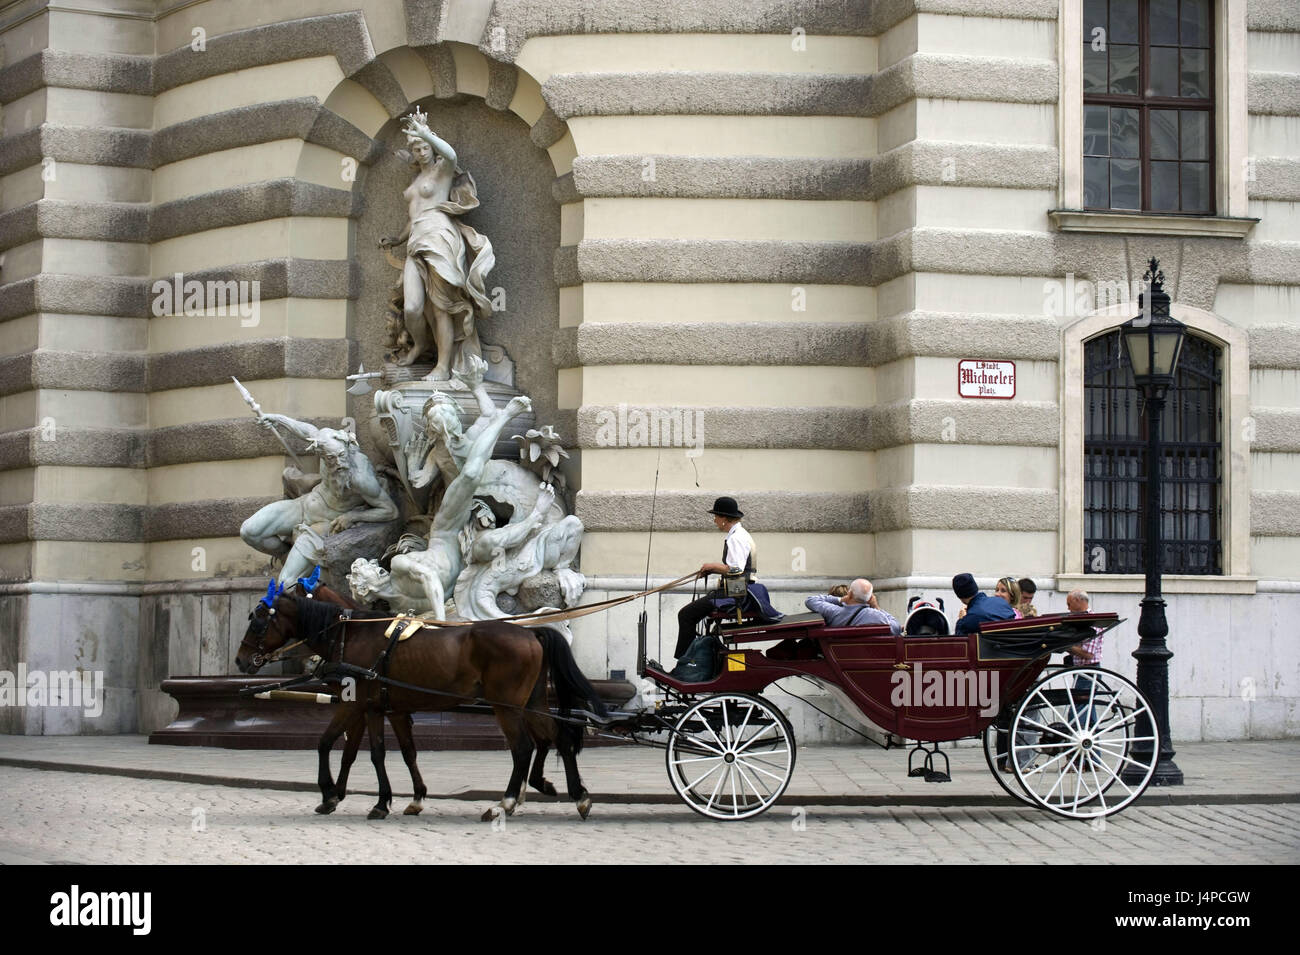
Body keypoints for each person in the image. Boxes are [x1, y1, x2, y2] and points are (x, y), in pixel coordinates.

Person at [380, 108, 495, 380]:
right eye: (416, 148)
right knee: (412, 307)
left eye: (424, 147)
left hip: (439, 237)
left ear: (432, 147)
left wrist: (427, 134)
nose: (421, 152)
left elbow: (452, 156)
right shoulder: (417, 179)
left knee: (442, 305)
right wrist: (398, 238)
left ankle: (443, 367)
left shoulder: (441, 171)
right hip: (415, 241)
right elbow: (415, 215)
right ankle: (421, 344)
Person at [672, 497, 779, 662]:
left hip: (737, 593)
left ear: (724, 518)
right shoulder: (740, 534)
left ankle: (685, 661)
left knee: (686, 615)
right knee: (690, 614)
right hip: (739, 589)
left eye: (716, 516)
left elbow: (736, 569)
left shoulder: (735, 538)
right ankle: (693, 657)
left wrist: (711, 566)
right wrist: (712, 569)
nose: (714, 520)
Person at [805, 579, 900, 633]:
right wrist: (876, 606)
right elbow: (896, 628)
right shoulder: (878, 616)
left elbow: (811, 600)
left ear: (849, 594)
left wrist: (840, 599)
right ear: (870, 598)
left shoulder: (834, 612)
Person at [952, 573, 1016, 634]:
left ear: (959, 597)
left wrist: (961, 619)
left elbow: (958, 640)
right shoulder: (1001, 602)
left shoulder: (969, 619)